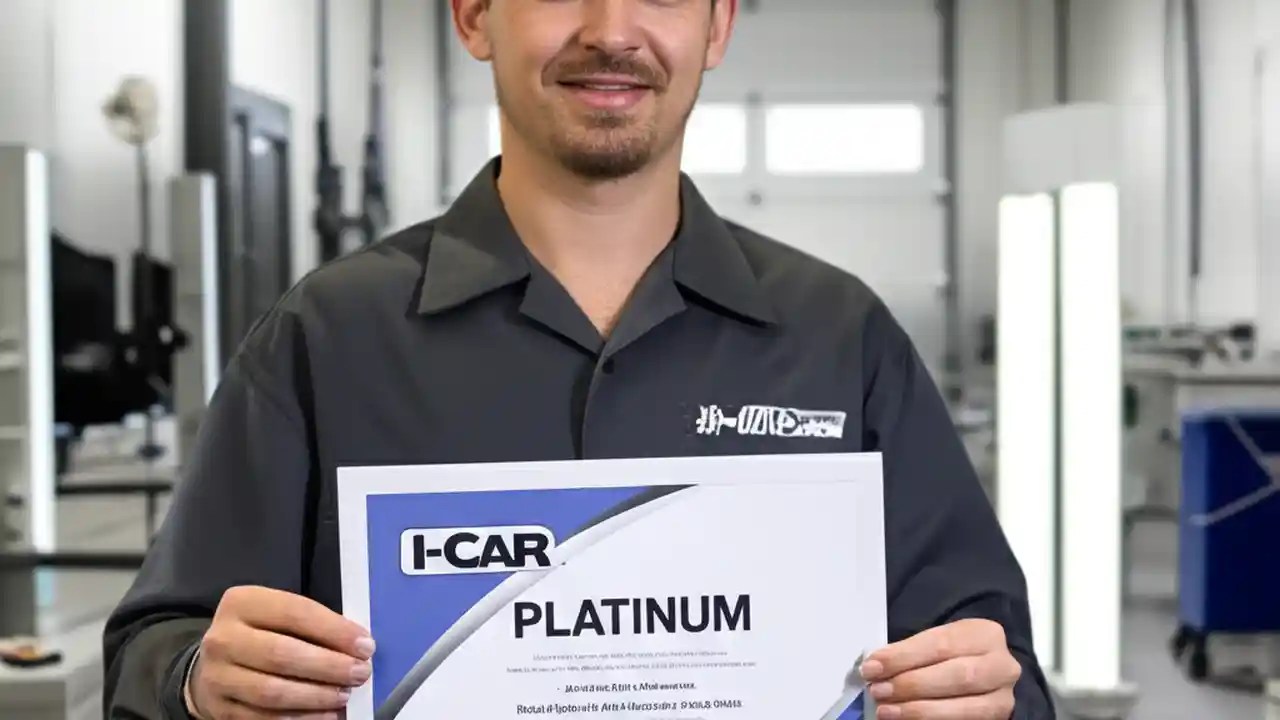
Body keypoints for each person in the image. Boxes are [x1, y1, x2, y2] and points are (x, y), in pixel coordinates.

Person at [104, 0, 1053, 718]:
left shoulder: (840, 339)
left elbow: (999, 664)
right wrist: (198, 682)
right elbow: (155, 650)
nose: (611, 30)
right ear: (474, 16)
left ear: (718, 26)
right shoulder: (328, 337)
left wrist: (978, 691)